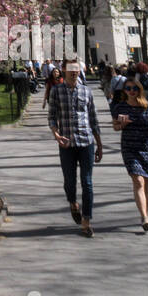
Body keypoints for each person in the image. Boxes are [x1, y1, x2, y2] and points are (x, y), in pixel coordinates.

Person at [47, 61, 103, 237]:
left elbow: (93, 119)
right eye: (70, 70)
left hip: (86, 142)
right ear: (64, 71)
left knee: (87, 182)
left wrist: (99, 145)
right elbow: (52, 117)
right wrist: (56, 134)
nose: (74, 73)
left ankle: (86, 221)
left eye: (76, 69)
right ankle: (73, 203)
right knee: (69, 182)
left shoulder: (87, 91)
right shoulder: (57, 91)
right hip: (67, 144)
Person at [111, 75, 148, 230]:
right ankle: (145, 216)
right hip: (129, 147)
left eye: (134, 88)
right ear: (124, 91)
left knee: (147, 181)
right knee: (138, 181)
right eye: (128, 88)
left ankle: (145, 213)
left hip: (147, 146)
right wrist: (122, 124)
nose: (131, 91)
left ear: (139, 90)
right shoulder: (119, 107)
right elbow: (115, 127)